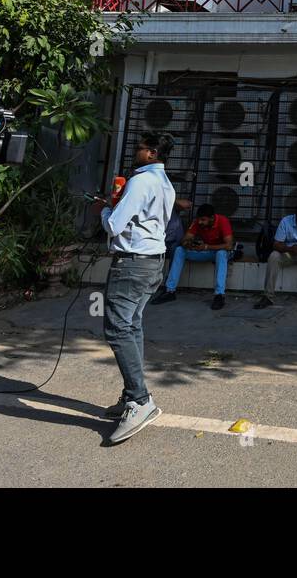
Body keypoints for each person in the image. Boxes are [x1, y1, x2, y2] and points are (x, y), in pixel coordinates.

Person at [93, 132, 176, 444]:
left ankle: (141, 402)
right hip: (153, 261)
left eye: (140, 147)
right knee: (132, 325)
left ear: (152, 153)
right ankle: (132, 394)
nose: (135, 151)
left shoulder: (140, 181)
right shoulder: (164, 181)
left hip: (132, 264)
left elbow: (114, 224)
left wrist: (102, 209)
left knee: (117, 328)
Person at [153, 201, 230, 309]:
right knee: (179, 250)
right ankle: (170, 291)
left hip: (217, 251)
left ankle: (219, 295)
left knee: (222, 254)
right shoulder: (197, 223)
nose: (200, 222)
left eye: (203, 220)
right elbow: (185, 239)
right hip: (204, 251)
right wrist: (188, 244)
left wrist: (207, 247)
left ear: (212, 218)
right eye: (199, 219)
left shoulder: (222, 221)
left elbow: (228, 245)